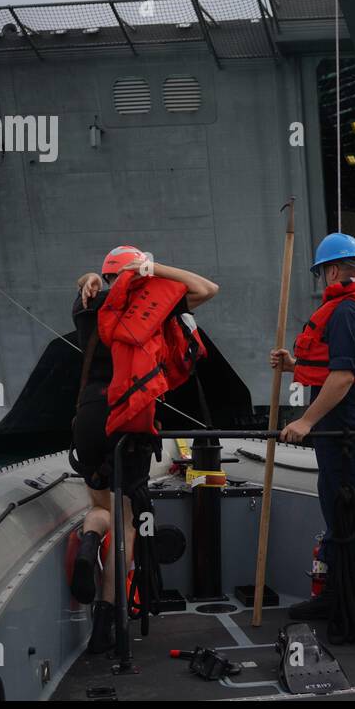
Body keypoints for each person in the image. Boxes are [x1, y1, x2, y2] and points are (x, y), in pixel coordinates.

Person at [68, 246, 219, 653]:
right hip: (129, 415)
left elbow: (87, 281)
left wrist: (89, 277)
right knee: (129, 521)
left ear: (105, 275)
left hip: (89, 415)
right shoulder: (153, 306)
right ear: (140, 273)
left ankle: (88, 543)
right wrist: (156, 269)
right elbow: (207, 288)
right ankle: (107, 616)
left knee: (101, 506)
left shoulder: (87, 304)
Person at [269, 233, 355, 632]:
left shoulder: (346, 311)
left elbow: (344, 378)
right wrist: (296, 366)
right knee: (339, 514)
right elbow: (348, 367)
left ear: (330, 271)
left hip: (349, 435)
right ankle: (334, 594)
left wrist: (305, 421)